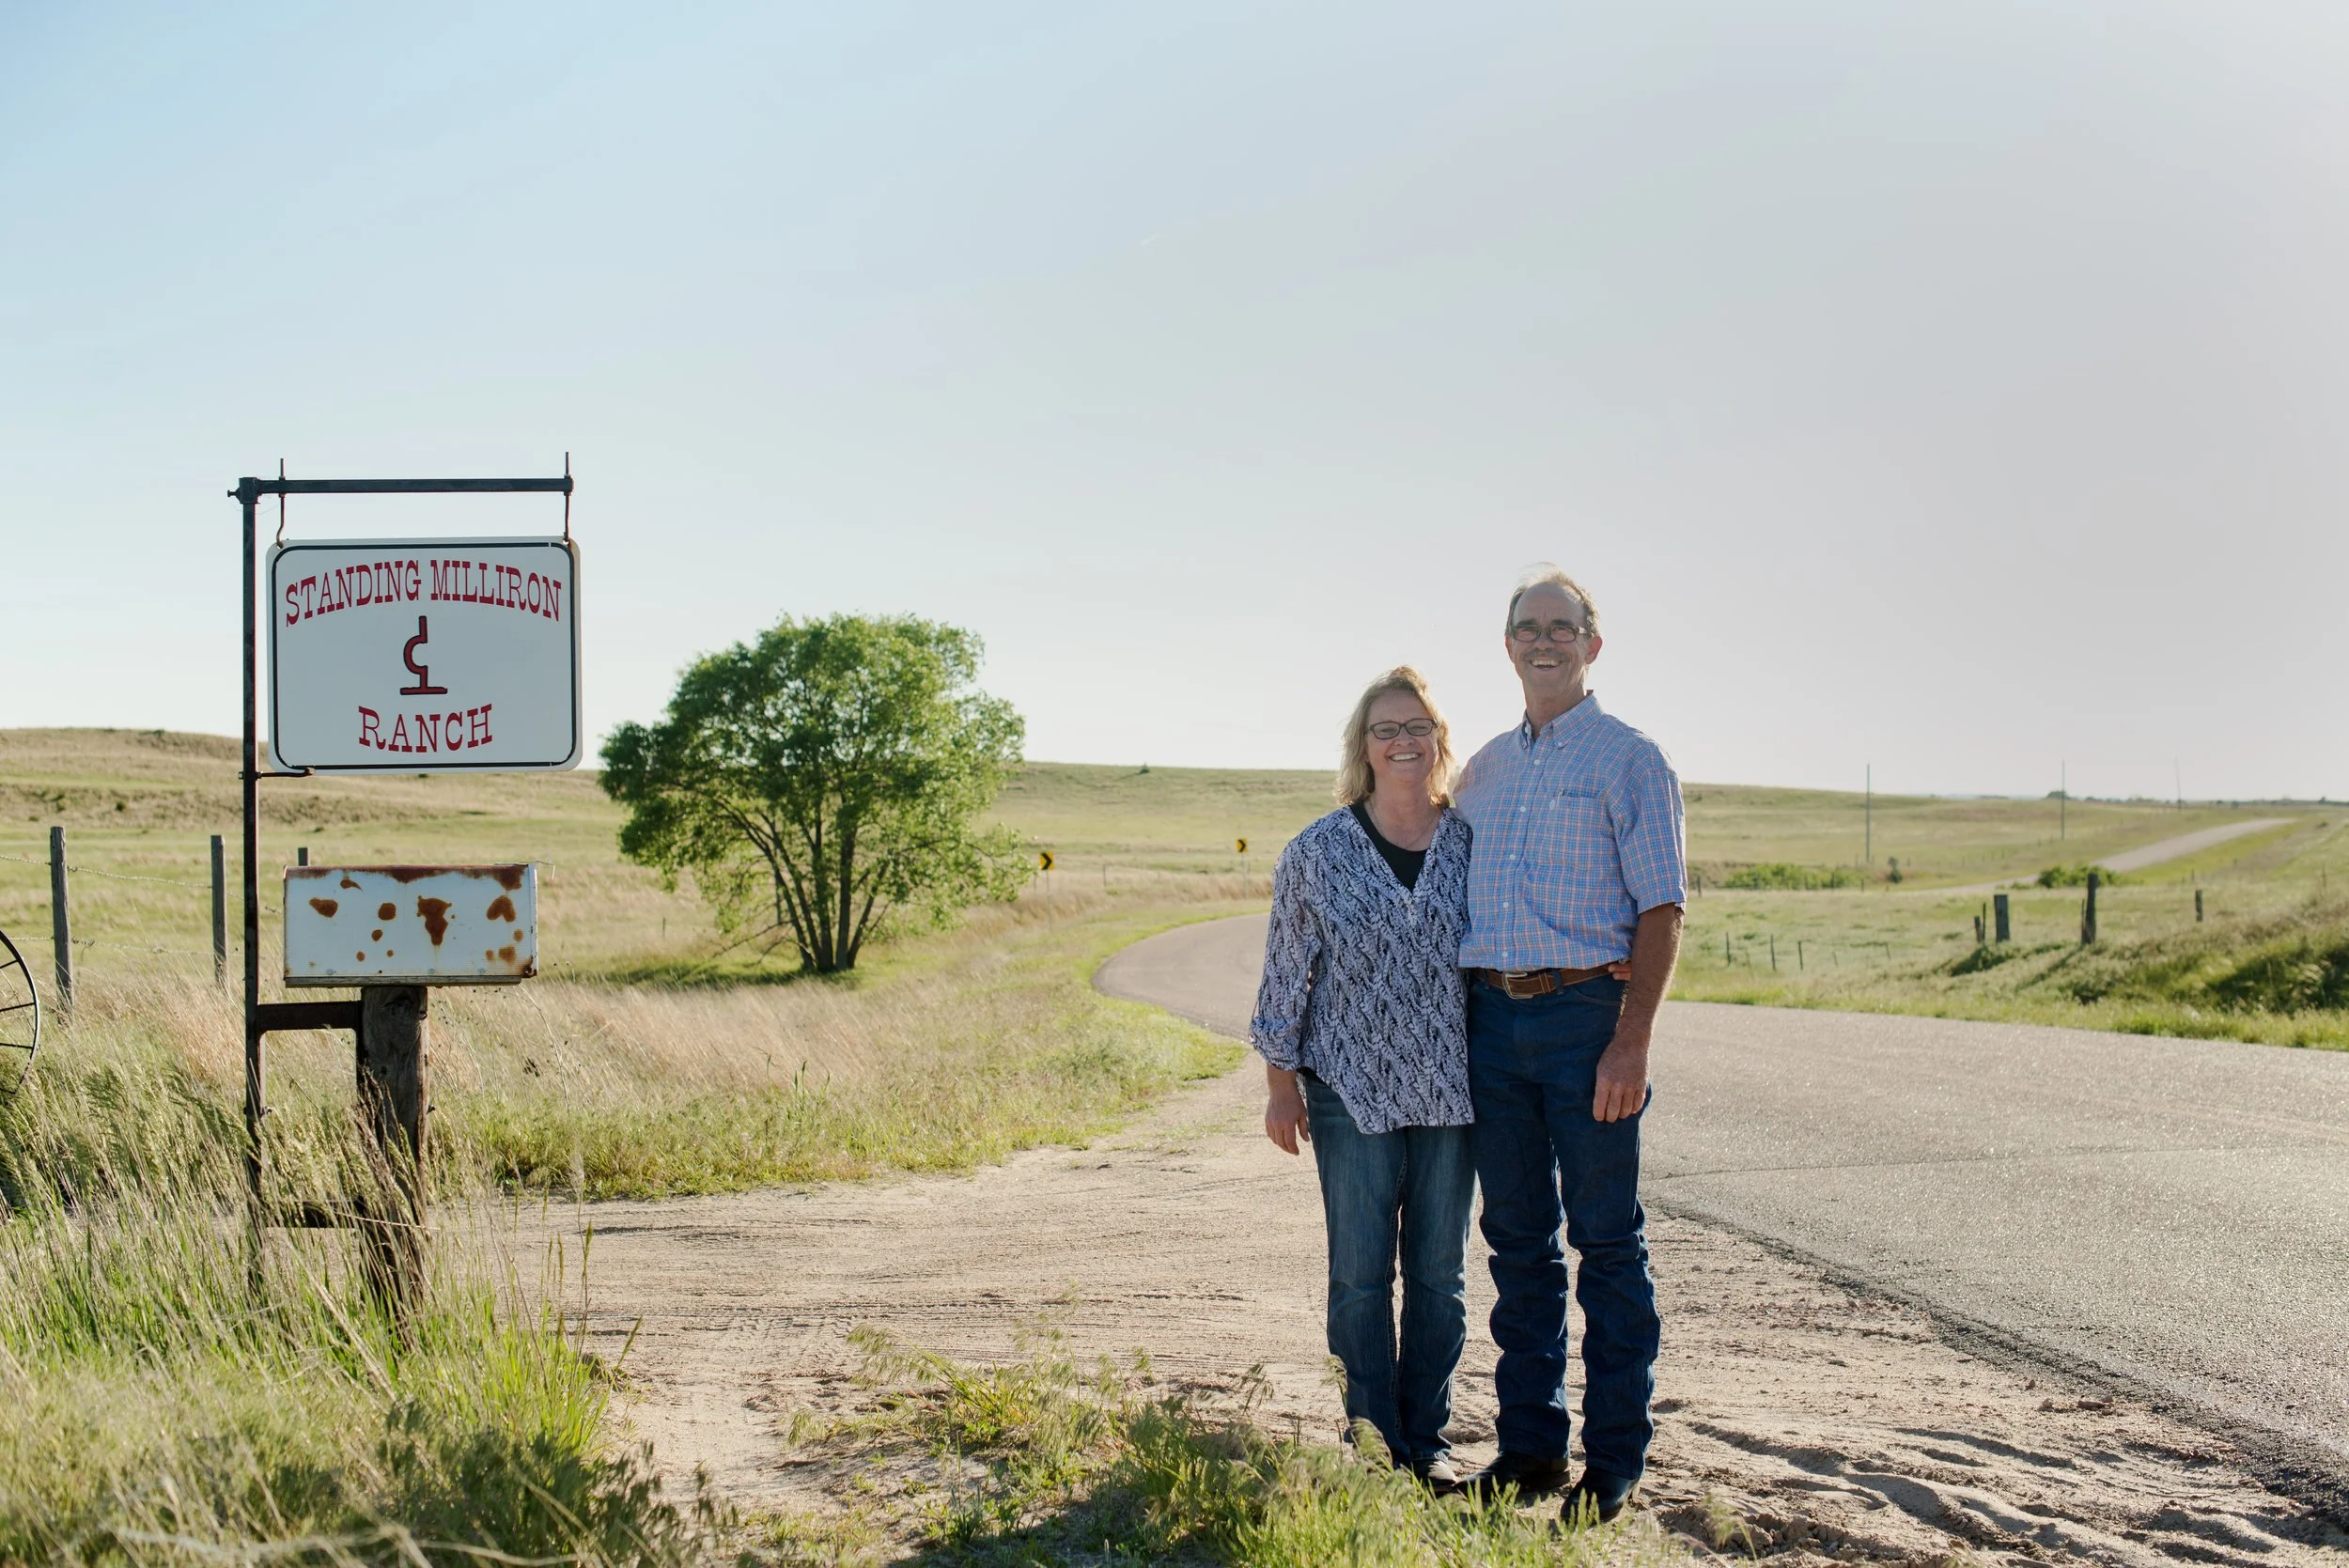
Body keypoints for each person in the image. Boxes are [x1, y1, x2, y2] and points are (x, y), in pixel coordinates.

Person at [1452, 565, 1686, 1524]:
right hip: (1491, 1022)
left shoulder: (1631, 759)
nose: (1543, 640)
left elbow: (1662, 908)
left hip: (1587, 1019)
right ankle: (1530, 1448)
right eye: (1527, 627)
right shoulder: (1482, 770)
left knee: (1605, 1239)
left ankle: (1615, 1457)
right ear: (1507, 645)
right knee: (1516, 1241)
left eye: (1561, 627)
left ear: (1592, 644)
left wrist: (1631, 1042)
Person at [1251, 667, 1477, 1490]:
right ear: (1364, 745)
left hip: (1453, 1091)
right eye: (1387, 729)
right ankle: (1376, 1447)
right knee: (1359, 1274)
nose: (1403, 740)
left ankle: (1429, 1439)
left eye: (1418, 726)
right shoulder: (1317, 850)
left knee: (1440, 1277)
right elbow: (1286, 976)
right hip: (1349, 1089)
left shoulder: (1471, 842)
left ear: (1438, 739)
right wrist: (1281, 1086)